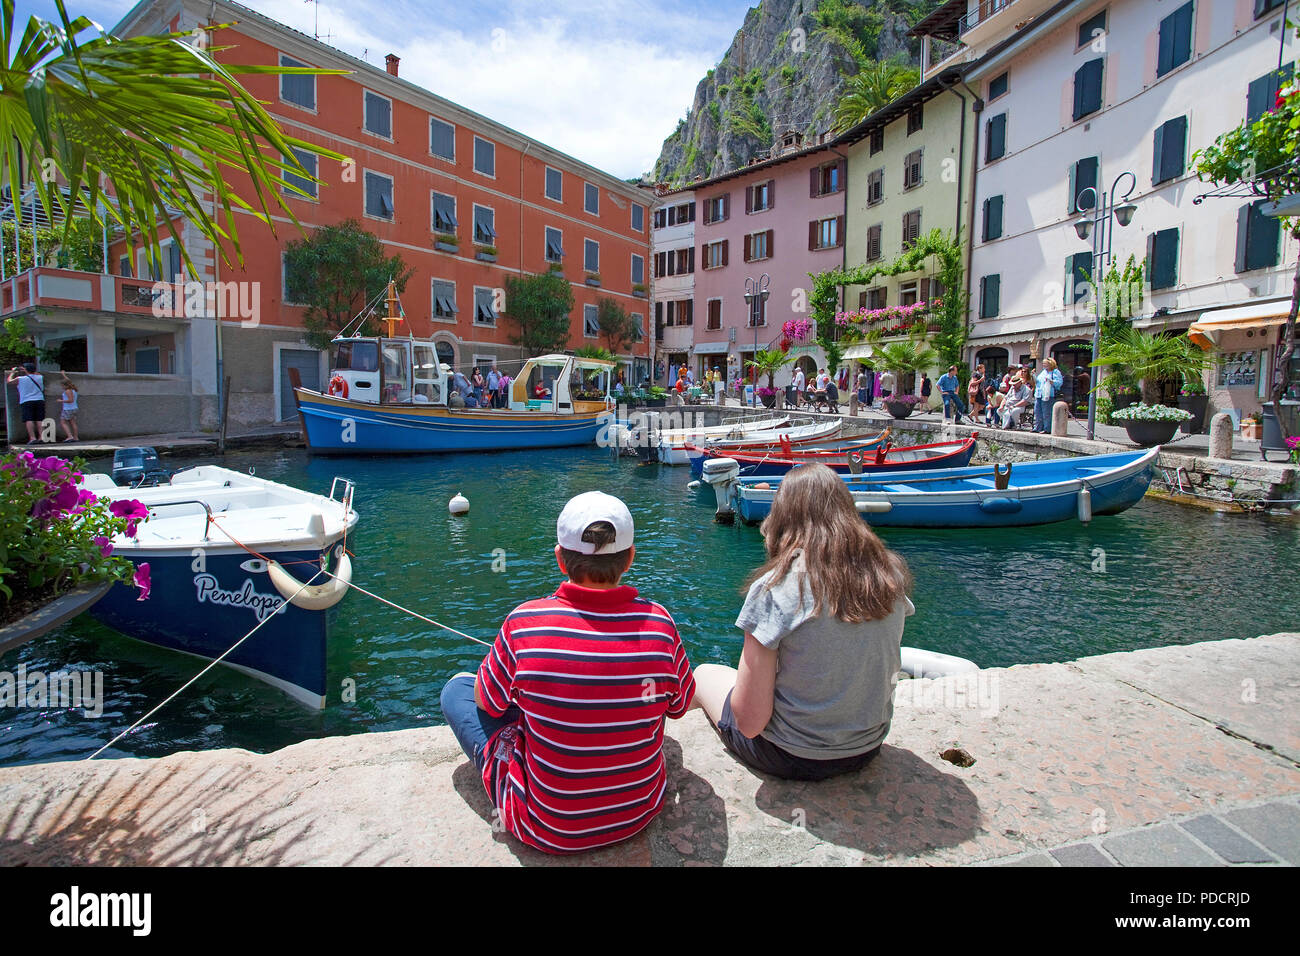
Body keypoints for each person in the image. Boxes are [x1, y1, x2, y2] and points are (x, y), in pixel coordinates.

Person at [439, 492, 695, 853]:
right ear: (630, 558)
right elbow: (679, 706)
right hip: (639, 812)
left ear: (560, 559)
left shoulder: (523, 623)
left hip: (544, 826)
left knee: (456, 692)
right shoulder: (660, 624)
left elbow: (487, 703)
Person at [692, 463, 914, 781]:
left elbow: (750, 722)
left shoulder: (777, 587)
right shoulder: (888, 574)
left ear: (782, 516)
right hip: (866, 749)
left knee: (703, 675)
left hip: (790, 755)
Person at [7, 363, 46, 443]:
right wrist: (27, 370)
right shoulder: (40, 377)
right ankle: (41, 438)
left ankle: (32, 438)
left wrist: (13, 372)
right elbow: (36, 374)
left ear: (25, 370)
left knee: (29, 419)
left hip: (27, 400)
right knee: (39, 419)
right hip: (39, 400)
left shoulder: (21, 378)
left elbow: (9, 382)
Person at [1033, 358, 1063, 434]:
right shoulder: (1043, 372)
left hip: (1048, 395)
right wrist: (1033, 376)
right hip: (1039, 394)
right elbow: (1038, 382)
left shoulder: (1055, 372)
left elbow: (1059, 383)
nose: (1044, 365)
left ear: (1050, 364)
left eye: (1045, 363)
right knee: (1038, 411)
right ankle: (1038, 427)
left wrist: (1052, 382)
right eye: (1043, 363)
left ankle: (1047, 429)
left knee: (1047, 412)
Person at [59, 377, 79, 442]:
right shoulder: (74, 390)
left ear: (65, 385)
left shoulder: (67, 391)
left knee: (63, 422)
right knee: (73, 423)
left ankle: (70, 436)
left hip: (68, 409)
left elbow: (71, 400)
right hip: (74, 408)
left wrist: (61, 401)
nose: (61, 387)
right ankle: (76, 437)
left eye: (62, 385)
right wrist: (63, 375)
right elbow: (68, 380)